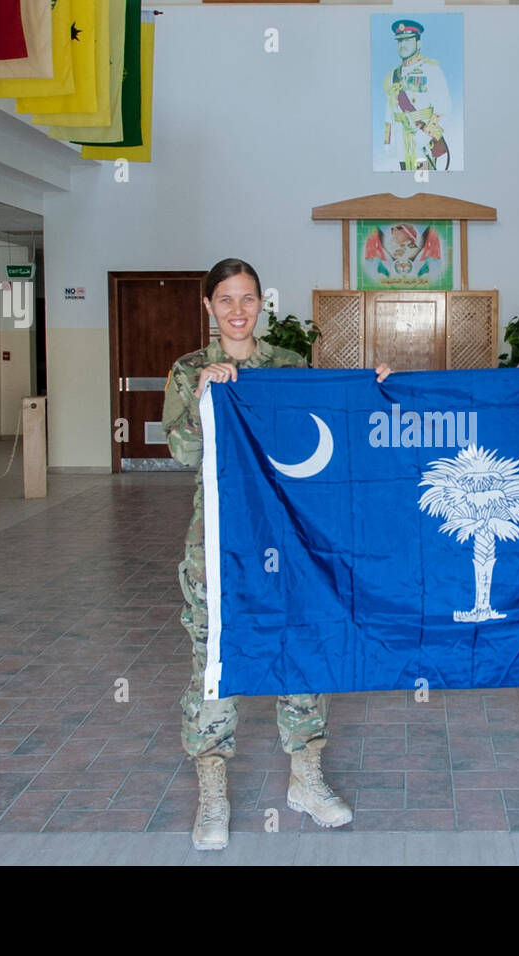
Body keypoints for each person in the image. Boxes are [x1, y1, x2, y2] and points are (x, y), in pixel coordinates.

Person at [161, 257, 391, 850]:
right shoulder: (189, 371)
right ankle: (213, 791)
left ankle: (305, 777)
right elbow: (184, 451)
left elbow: (334, 422)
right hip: (218, 544)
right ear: (209, 307)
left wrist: (376, 388)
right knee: (215, 660)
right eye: (226, 300)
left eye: (248, 299)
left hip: (288, 542)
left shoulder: (288, 367)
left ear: (262, 303)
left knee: (302, 651)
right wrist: (207, 394)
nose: (238, 311)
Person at [382, 19, 452, 171]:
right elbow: (390, 110)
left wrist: (425, 136)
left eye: (408, 40)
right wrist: (387, 140)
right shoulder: (393, 75)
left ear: (418, 43)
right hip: (401, 141)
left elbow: (443, 110)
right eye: (399, 41)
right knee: (404, 184)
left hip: (421, 139)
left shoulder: (431, 70)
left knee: (423, 184)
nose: (403, 45)